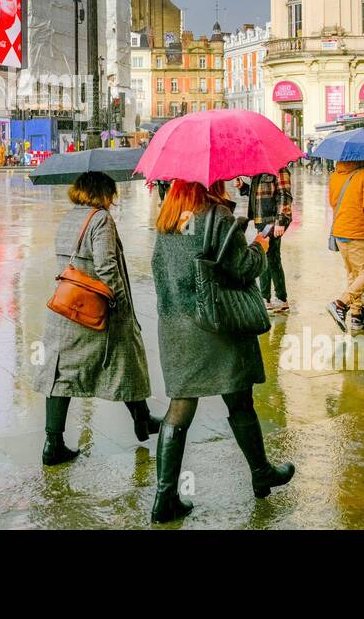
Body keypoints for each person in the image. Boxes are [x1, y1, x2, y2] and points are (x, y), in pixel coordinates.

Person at [149, 180, 294, 523]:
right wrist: (260, 244)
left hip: (177, 326)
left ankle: (165, 495)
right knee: (239, 397)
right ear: (210, 183)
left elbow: (159, 271)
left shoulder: (168, 219)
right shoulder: (218, 216)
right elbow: (243, 268)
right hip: (216, 325)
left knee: (180, 407)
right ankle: (260, 472)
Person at [32, 172, 158, 464]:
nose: (114, 200)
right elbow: (106, 267)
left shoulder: (69, 218)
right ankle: (143, 420)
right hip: (96, 308)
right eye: (111, 194)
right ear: (101, 193)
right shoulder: (100, 219)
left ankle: (53, 443)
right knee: (127, 358)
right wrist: (122, 303)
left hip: (67, 307)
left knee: (60, 372)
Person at [327, 161, 364, 330]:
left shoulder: (335, 175)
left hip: (340, 230)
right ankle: (340, 303)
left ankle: (357, 315)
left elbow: (333, 202)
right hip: (359, 232)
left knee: (354, 273)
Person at [238, 166, 294, 313]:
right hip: (262, 221)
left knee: (268, 258)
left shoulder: (279, 169)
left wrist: (281, 221)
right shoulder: (259, 170)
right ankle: (278, 299)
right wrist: (243, 187)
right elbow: (258, 195)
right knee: (271, 258)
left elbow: (284, 195)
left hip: (272, 221)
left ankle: (269, 298)